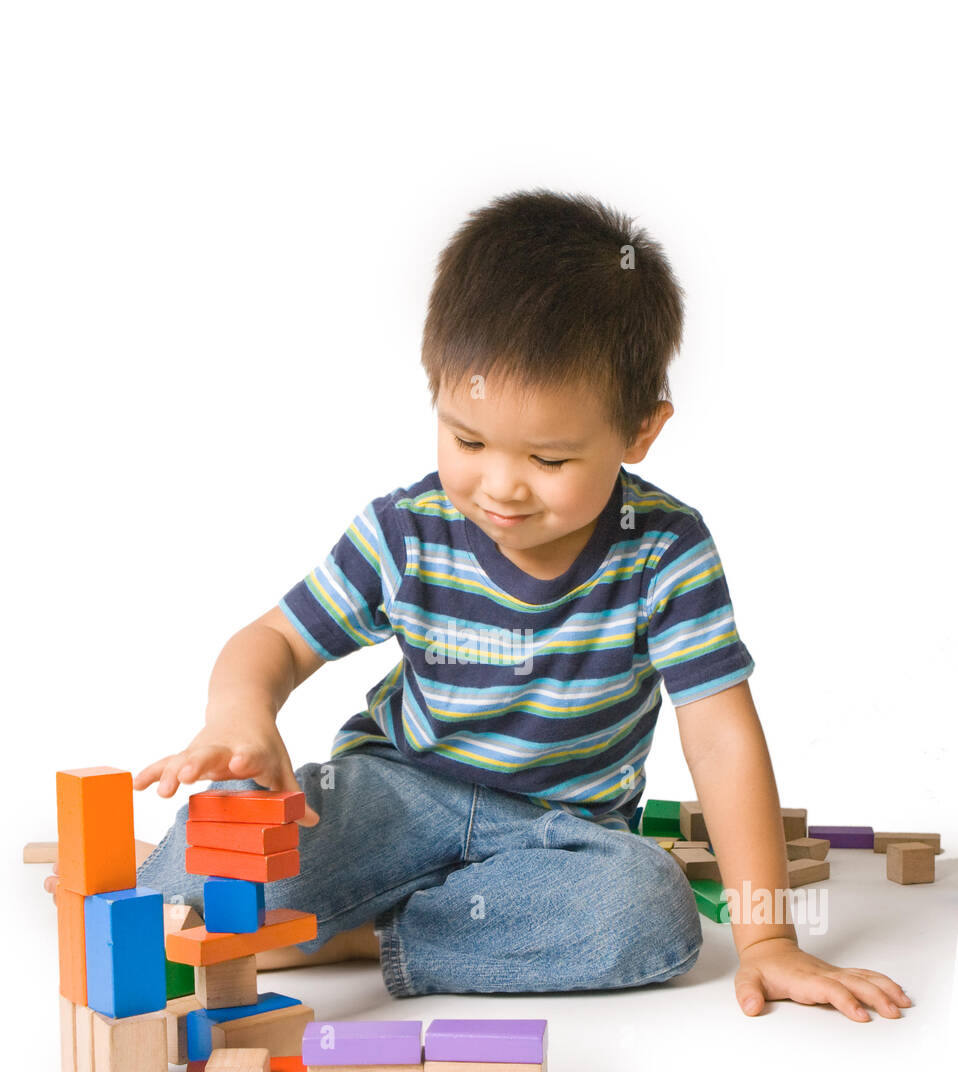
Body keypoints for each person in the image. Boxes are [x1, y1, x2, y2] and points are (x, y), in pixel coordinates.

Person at [46, 190, 909, 1021]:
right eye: (467, 439)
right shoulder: (408, 531)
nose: (499, 487)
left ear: (640, 431)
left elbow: (721, 738)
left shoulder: (665, 553)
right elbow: (274, 638)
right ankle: (256, 901)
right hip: (392, 788)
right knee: (201, 875)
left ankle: (363, 939)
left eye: (550, 458)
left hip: (557, 833)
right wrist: (240, 713)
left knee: (649, 912)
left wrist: (766, 937)